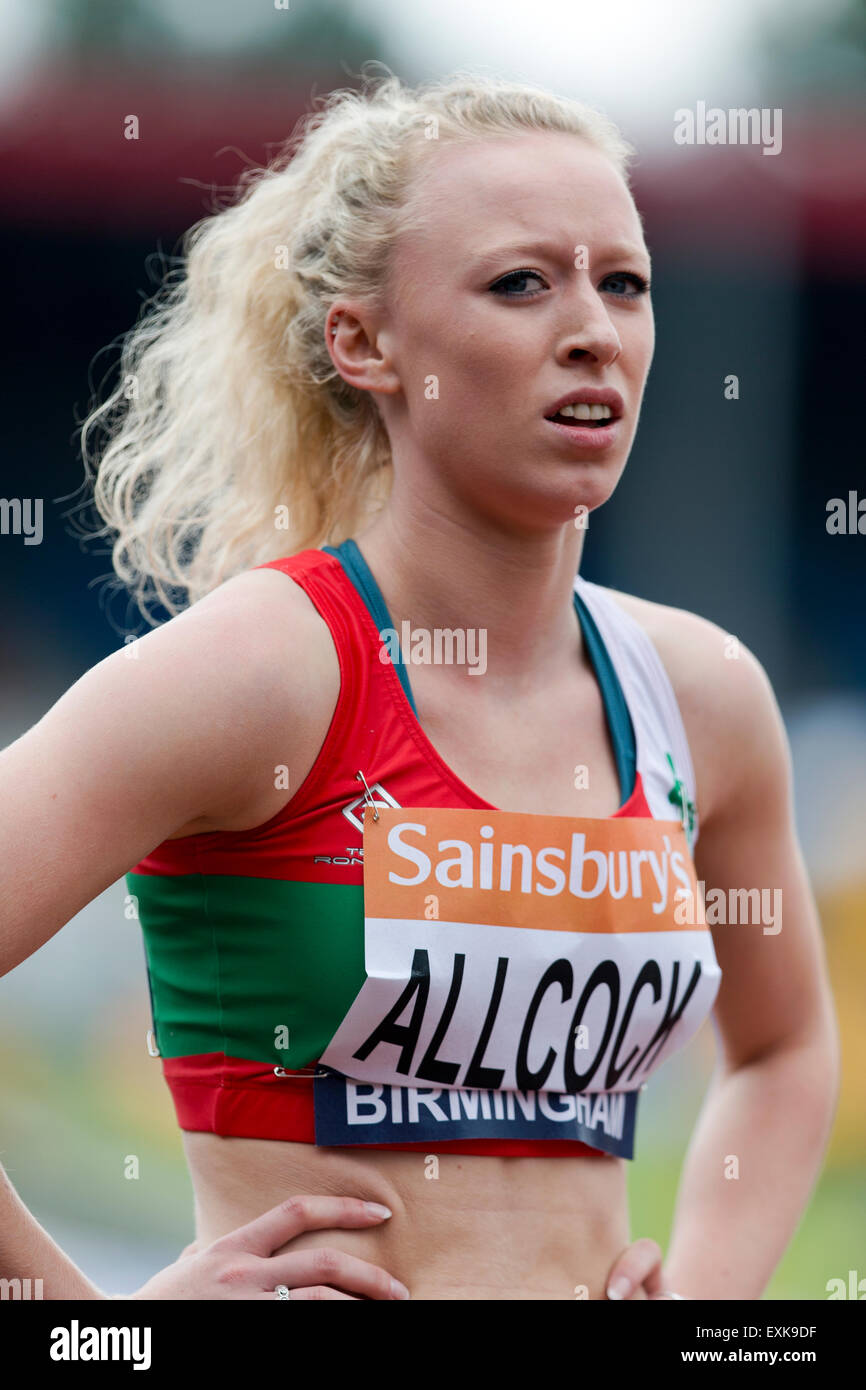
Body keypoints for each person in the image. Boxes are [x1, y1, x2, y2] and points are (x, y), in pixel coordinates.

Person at [0, 70, 839, 1301]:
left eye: (623, 282)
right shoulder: (256, 674)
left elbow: (781, 1046)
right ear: (363, 341)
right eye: (519, 283)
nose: (591, 329)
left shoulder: (703, 695)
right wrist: (99, 1335)